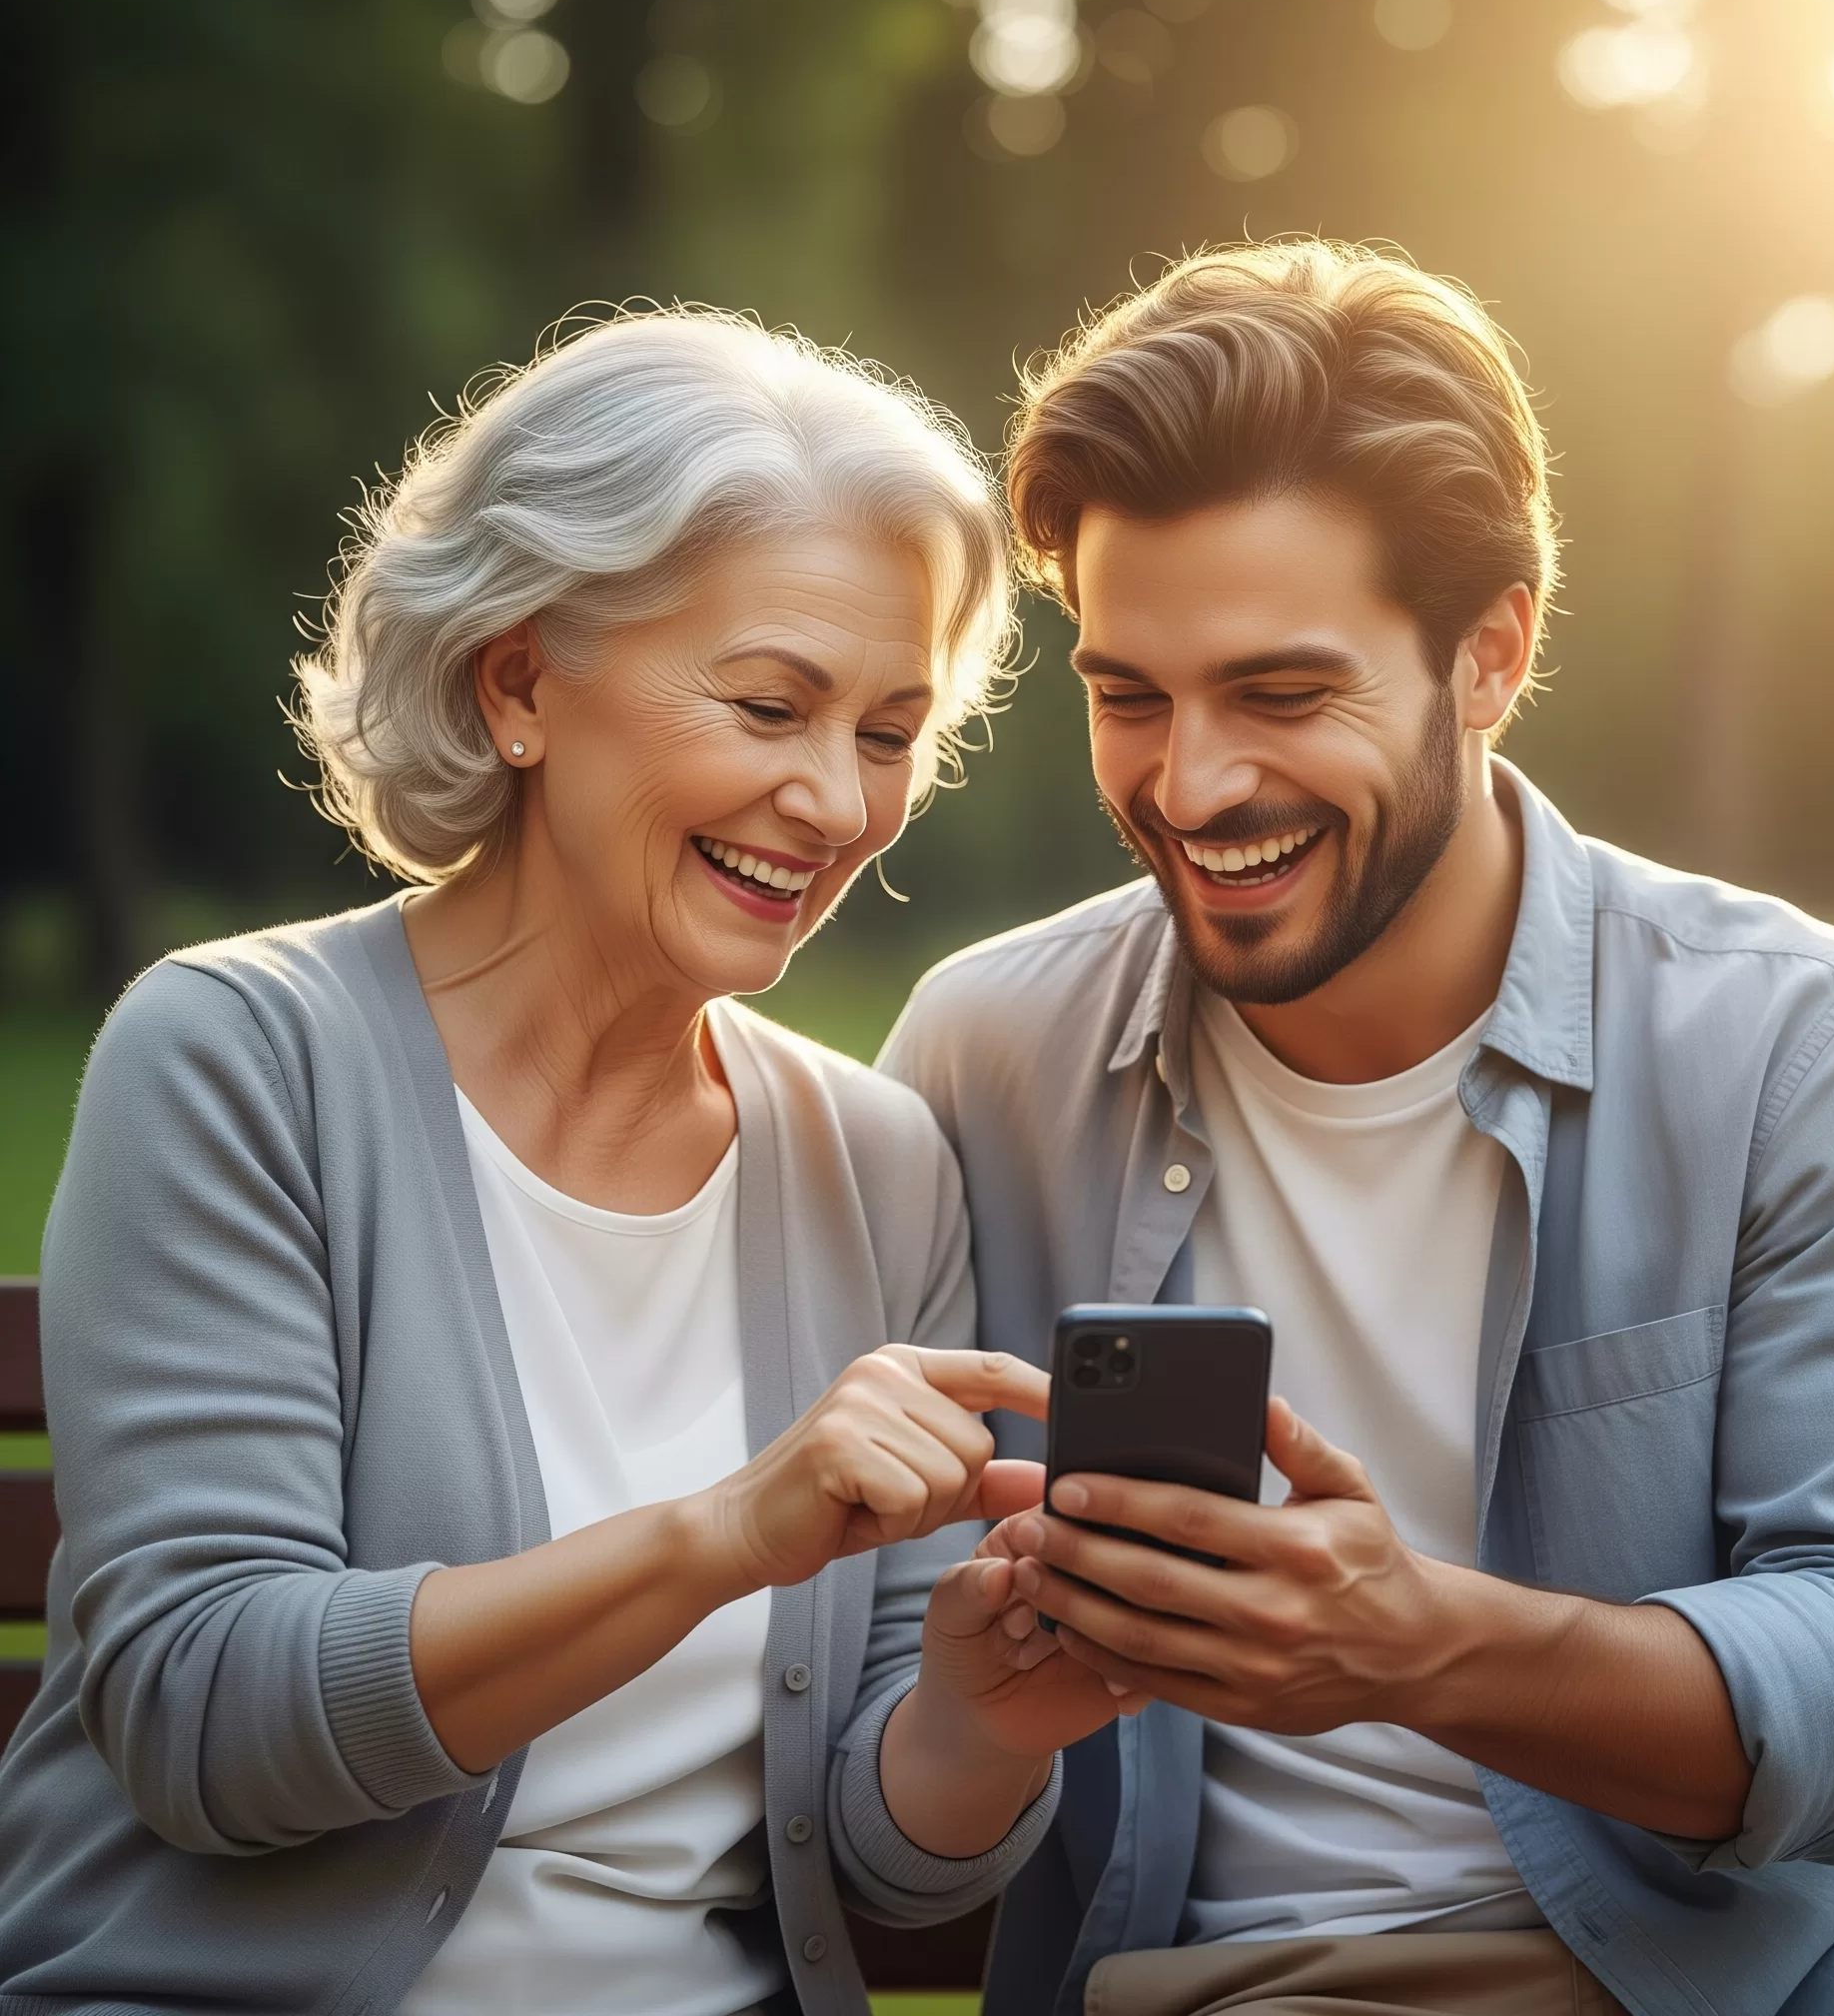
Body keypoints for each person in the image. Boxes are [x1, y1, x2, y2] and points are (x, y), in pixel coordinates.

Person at [881, 243, 1834, 2016]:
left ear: (1491, 652)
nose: (1190, 789)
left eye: (1281, 695)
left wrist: (1420, 1647)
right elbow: (880, 1752)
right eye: (1129, 695)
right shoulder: (988, 1060)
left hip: (1768, 1986)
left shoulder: (1802, 1050)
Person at [0, 309, 1135, 2015]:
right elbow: (207, 1721)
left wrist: (980, 1724)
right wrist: (722, 1536)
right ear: (520, 682)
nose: (835, 801)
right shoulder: (243, 1057)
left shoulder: (878, 1162)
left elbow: (891, 1864)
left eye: (888, 733)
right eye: (770, 706)